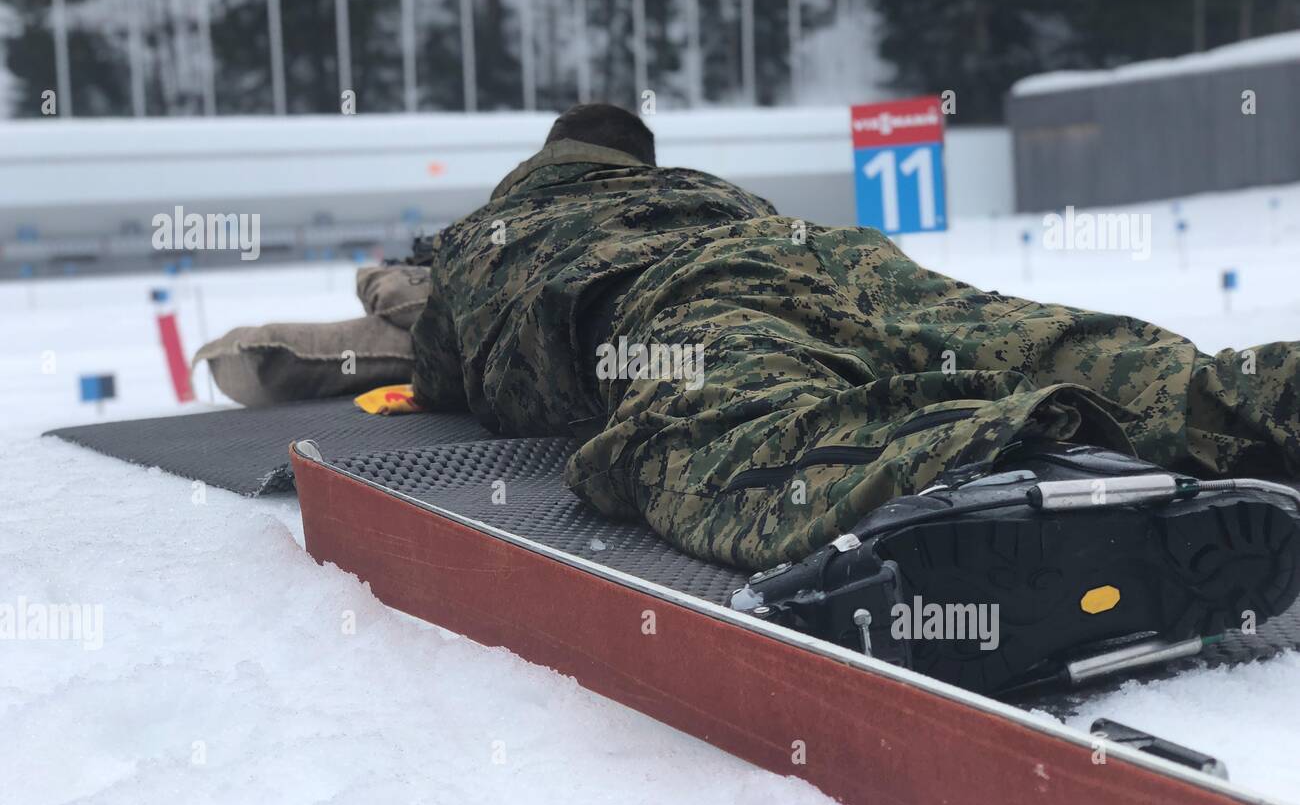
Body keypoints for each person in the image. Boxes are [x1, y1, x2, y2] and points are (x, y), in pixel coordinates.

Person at [408, 101, 1300, 693]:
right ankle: (1258, 399)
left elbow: (437, 373)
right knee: (1057, 340)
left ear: (541, 161)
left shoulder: (484, 234)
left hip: (677, 298)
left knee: (733, 431)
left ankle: (980, 488)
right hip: (844, 260)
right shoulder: (700, 187)